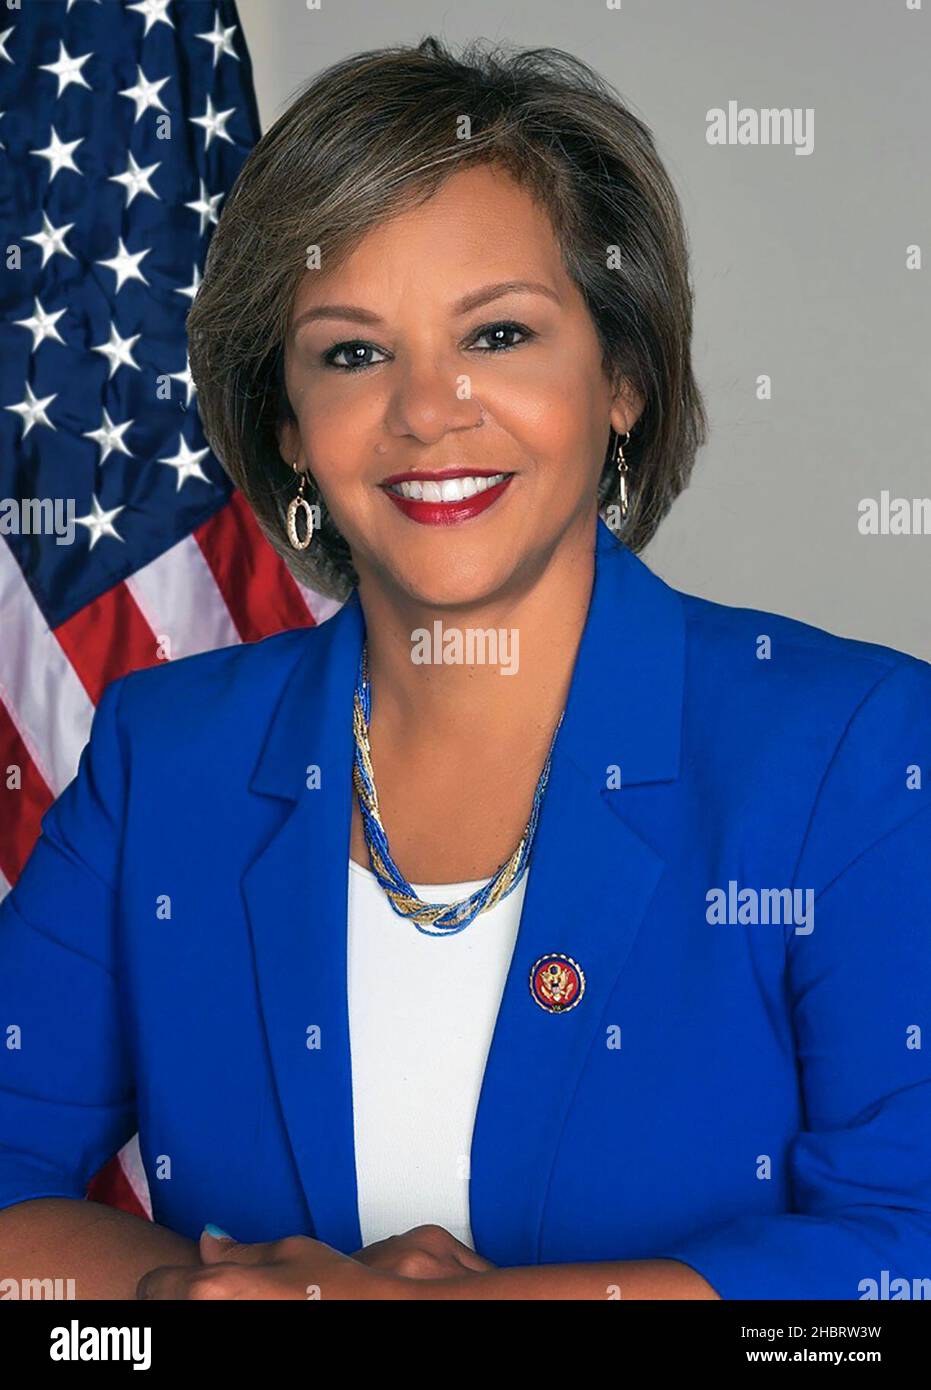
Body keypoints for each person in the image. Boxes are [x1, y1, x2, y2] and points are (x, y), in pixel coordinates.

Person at [1, 37, 929, 1302]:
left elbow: (905, 1257)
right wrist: (187, 1299)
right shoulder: (164, 757)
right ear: (283, 421)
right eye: (351, 351)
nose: (429, 409)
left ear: (622, 378)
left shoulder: (853, 750)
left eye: (496, 332)